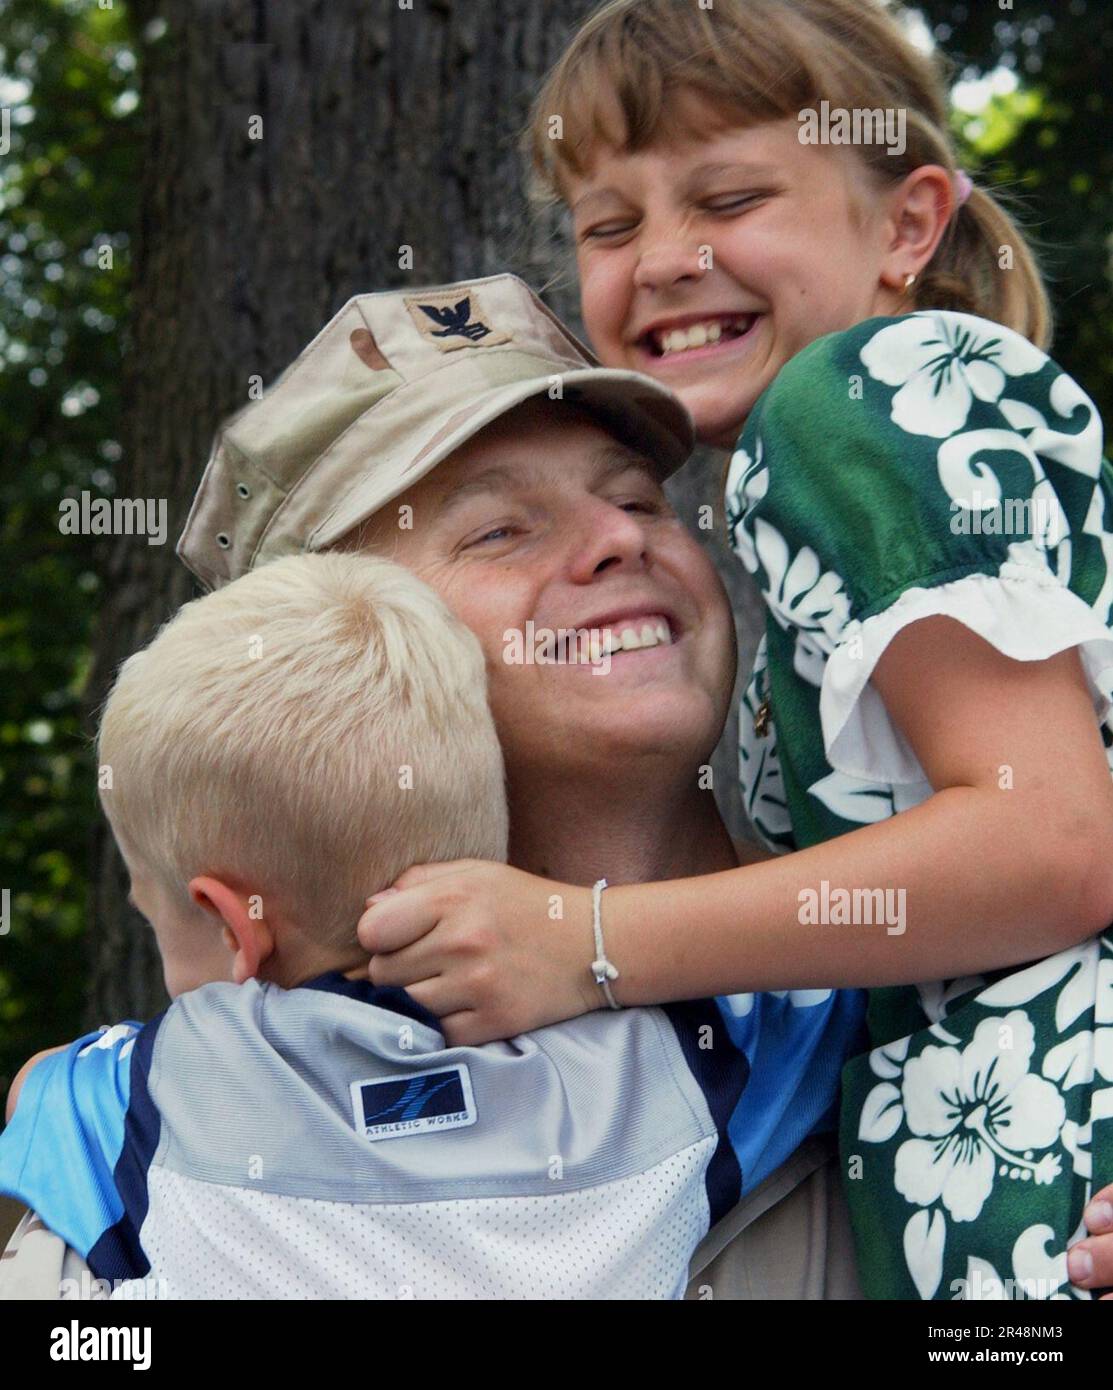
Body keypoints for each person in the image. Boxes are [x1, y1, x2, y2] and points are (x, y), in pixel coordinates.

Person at [342, 0, 1113, 1299]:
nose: (662, 260)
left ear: (910, 223)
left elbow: (1053, 843)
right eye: (608, 224)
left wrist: (583, 939)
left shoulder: (855, 397)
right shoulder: (810, 532)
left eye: (730, 195)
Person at [2, 279, 858, 1299]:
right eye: (500, 530)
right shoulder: (127, 1185)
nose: (624, 537)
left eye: (636, 499)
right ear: (322, 650)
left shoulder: (950, 983)